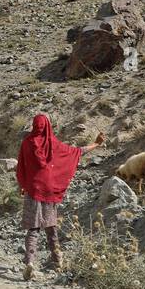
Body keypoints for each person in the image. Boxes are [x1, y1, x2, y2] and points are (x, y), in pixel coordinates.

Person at [15, 113, 103, 280]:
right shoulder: (52, 144)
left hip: (33, 190)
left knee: (33, 229)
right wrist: (96, 144)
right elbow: (76, 152)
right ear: (48, 125)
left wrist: (22, 185)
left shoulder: (27, 143)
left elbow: (22, 167)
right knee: (51, 226)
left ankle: (29, 263)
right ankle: (57, 261)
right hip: (49, 190)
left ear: (34, 125)